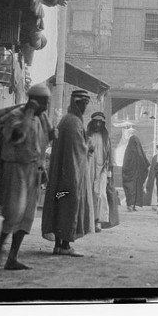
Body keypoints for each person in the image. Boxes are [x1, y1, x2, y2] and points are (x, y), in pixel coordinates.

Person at [0, 83, 52, 270]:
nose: (47, 107)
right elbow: (18, 136)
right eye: (44, 102)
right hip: (15, 169)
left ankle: (12, 258)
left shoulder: (40, 119)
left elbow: (38, 147)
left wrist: (42, 168)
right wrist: (29, 112)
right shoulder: (16, 117)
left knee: (27, 216)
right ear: (34, 101)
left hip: (33, 170)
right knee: (14, 212)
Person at [42, 89, 94, 256]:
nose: (85, 107)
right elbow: (77, 151)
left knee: (60, 206)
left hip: (61, 179)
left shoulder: (66, 120)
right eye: (83, 104)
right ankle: (64, 246)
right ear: (77, 104)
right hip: (70, 179)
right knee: (68, 207)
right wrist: (88, 146)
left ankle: (59, 244)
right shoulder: (74, 123)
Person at [86, 112, 115, 231]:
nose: (98, 124)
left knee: (101, 194)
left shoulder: (106, 138)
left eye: (100, 122)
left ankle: (99, 220)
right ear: (92, 123)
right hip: (89, 168)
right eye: (96, 122)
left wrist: (109, 173)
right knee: (90, 193)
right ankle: (89, 220)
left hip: (102, 168)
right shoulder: (87, 136)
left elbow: (109, 155)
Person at [121, 130, 149, 211]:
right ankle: (133, 205)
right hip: (135, 175)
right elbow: (144, 162)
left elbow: (125, 164)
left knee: (131, 190)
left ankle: (131, 205)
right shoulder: (138, 152)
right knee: (134, 190)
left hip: (131, 175)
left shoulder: (128, 152)